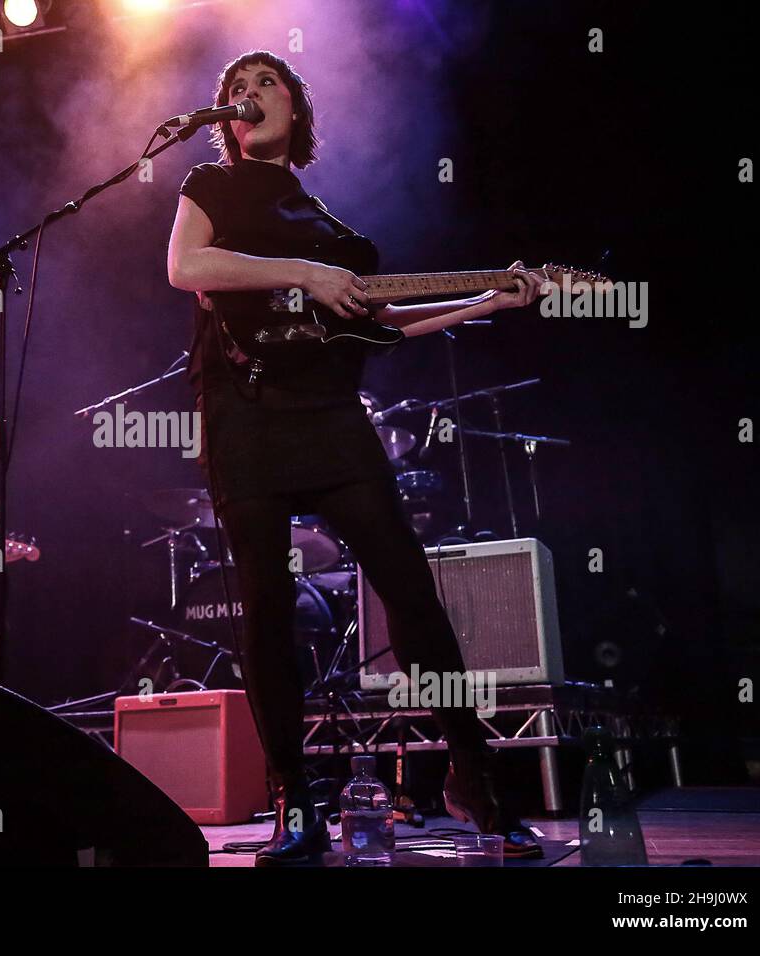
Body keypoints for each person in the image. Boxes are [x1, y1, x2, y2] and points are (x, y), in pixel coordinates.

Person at [166, 51, 546, 865]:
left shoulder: (333, 230)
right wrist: (303, 273)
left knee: (414, 596)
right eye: (237, 86)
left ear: (296, 110)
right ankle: (295, 808)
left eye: (268, 82)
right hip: (246, 416)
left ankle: (475, 781)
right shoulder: (211, 187)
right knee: (266, 613)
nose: (249, 93)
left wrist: (486, 300)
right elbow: (185, 268)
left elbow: (384, 327)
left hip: (332, 421)